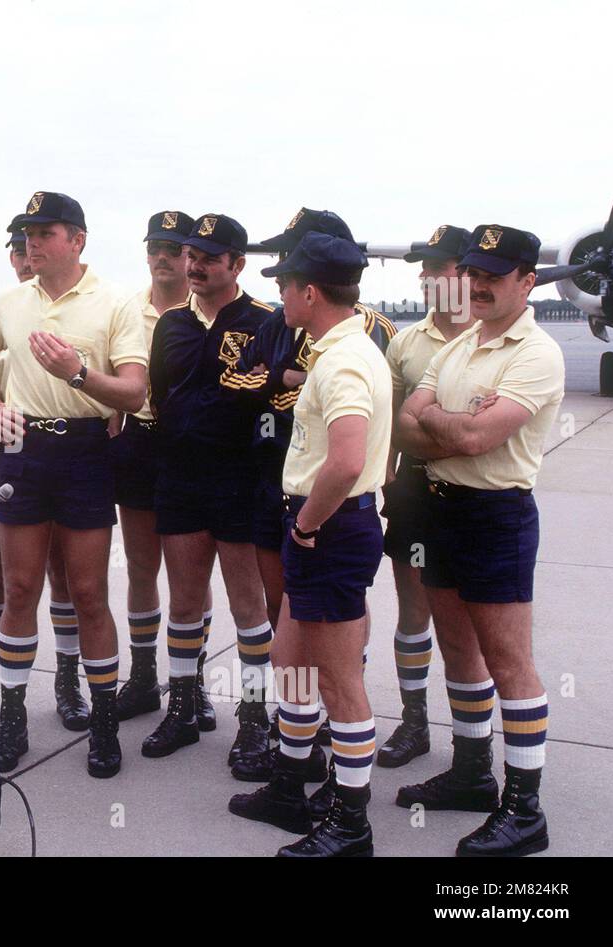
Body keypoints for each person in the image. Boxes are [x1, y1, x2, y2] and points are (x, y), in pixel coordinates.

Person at [0, 191, 147, 778]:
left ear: (77, 240)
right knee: (19, 589)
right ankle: (13, 718)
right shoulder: (12, 303)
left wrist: (78, 372)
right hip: (23, 447)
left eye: (45, 233)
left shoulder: (115, 303)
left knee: (87, 593)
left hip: (86, 449)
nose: (32, 244)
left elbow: (135, 393)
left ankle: (103, 721)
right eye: (27, 234)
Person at [395, 225, 562, 857]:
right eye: (474, 272)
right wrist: (456, 422)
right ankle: (472, 773)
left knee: (509, 662)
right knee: (457, 650)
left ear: (528, 281)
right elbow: (409, 425)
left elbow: (472, 441)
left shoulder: (536, 353)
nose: (481, 283)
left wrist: (446, 424)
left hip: (495, 514)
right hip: (438, 507)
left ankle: (525, 810)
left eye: (497, 273)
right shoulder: (460, 343)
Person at [220, 207, 395, 791]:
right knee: (290, 661)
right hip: (316, 520)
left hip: (329, 524)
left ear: (311, 291)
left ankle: (350, 819)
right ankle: (291, 786)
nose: (279, 295)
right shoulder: (329, 350)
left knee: (339, 682)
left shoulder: (343, 358)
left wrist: (306, 527)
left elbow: (346, 460)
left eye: (285, 284)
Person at [147, 214, 273, 762]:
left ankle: (254, 718)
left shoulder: (266, 321)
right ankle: (182, 708)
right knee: (185, 602)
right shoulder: (170, 323)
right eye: (190, 254)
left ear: (237, 265)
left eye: (209, 258)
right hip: (180, 477)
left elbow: (273, 399)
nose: (194, 265)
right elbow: (159, 395)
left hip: (238, 479)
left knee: (249, 606)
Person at [0, 220, 89, 731]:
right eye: (15, 249)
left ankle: (68, 683)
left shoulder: (59, 311)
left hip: (62, 454)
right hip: (6, 451)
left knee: (65, 577)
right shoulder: (3, 313)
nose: (22, 257)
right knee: (0, 579)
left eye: (27, 247)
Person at [112, 211, 218, 732]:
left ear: (189, 258)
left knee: (191, 575)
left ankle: (191, 683)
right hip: (140, 440)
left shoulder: (207, 313)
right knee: (139, 566)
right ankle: (143, 675)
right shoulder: (125, 310)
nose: (162, 256)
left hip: (191, 448)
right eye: (154, 245)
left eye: (173, 249)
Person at [376, 225, 473, 768]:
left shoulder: (488, 335)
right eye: (425, 268)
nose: (428, 277)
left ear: (466, 274)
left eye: (440, 267)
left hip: (473, 494)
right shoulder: (406, 343)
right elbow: (391, 425)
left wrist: (430, 427)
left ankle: (469, 743)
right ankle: (414, 725)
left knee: (464, 624)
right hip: (414, 489)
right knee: (413, 613)